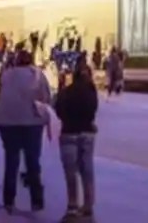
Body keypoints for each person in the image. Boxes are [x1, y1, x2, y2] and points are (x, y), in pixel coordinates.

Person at [0, 48, 50, 214]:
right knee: (32, 162)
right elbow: (46, 99)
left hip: (8, 122)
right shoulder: (38, 76)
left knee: (11, 161)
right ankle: (36, 200)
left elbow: (0, 96)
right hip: (32, 123)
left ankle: (9, 200)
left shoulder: (6, 75)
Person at [56, 61, 99, 219]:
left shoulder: (66, 92)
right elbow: (93, 109)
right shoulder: (91, 91)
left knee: (70, 172)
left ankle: (72, 204)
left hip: (68, 133)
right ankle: (88, 205)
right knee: (87, 170)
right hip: (87, 133)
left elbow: (58, 109)